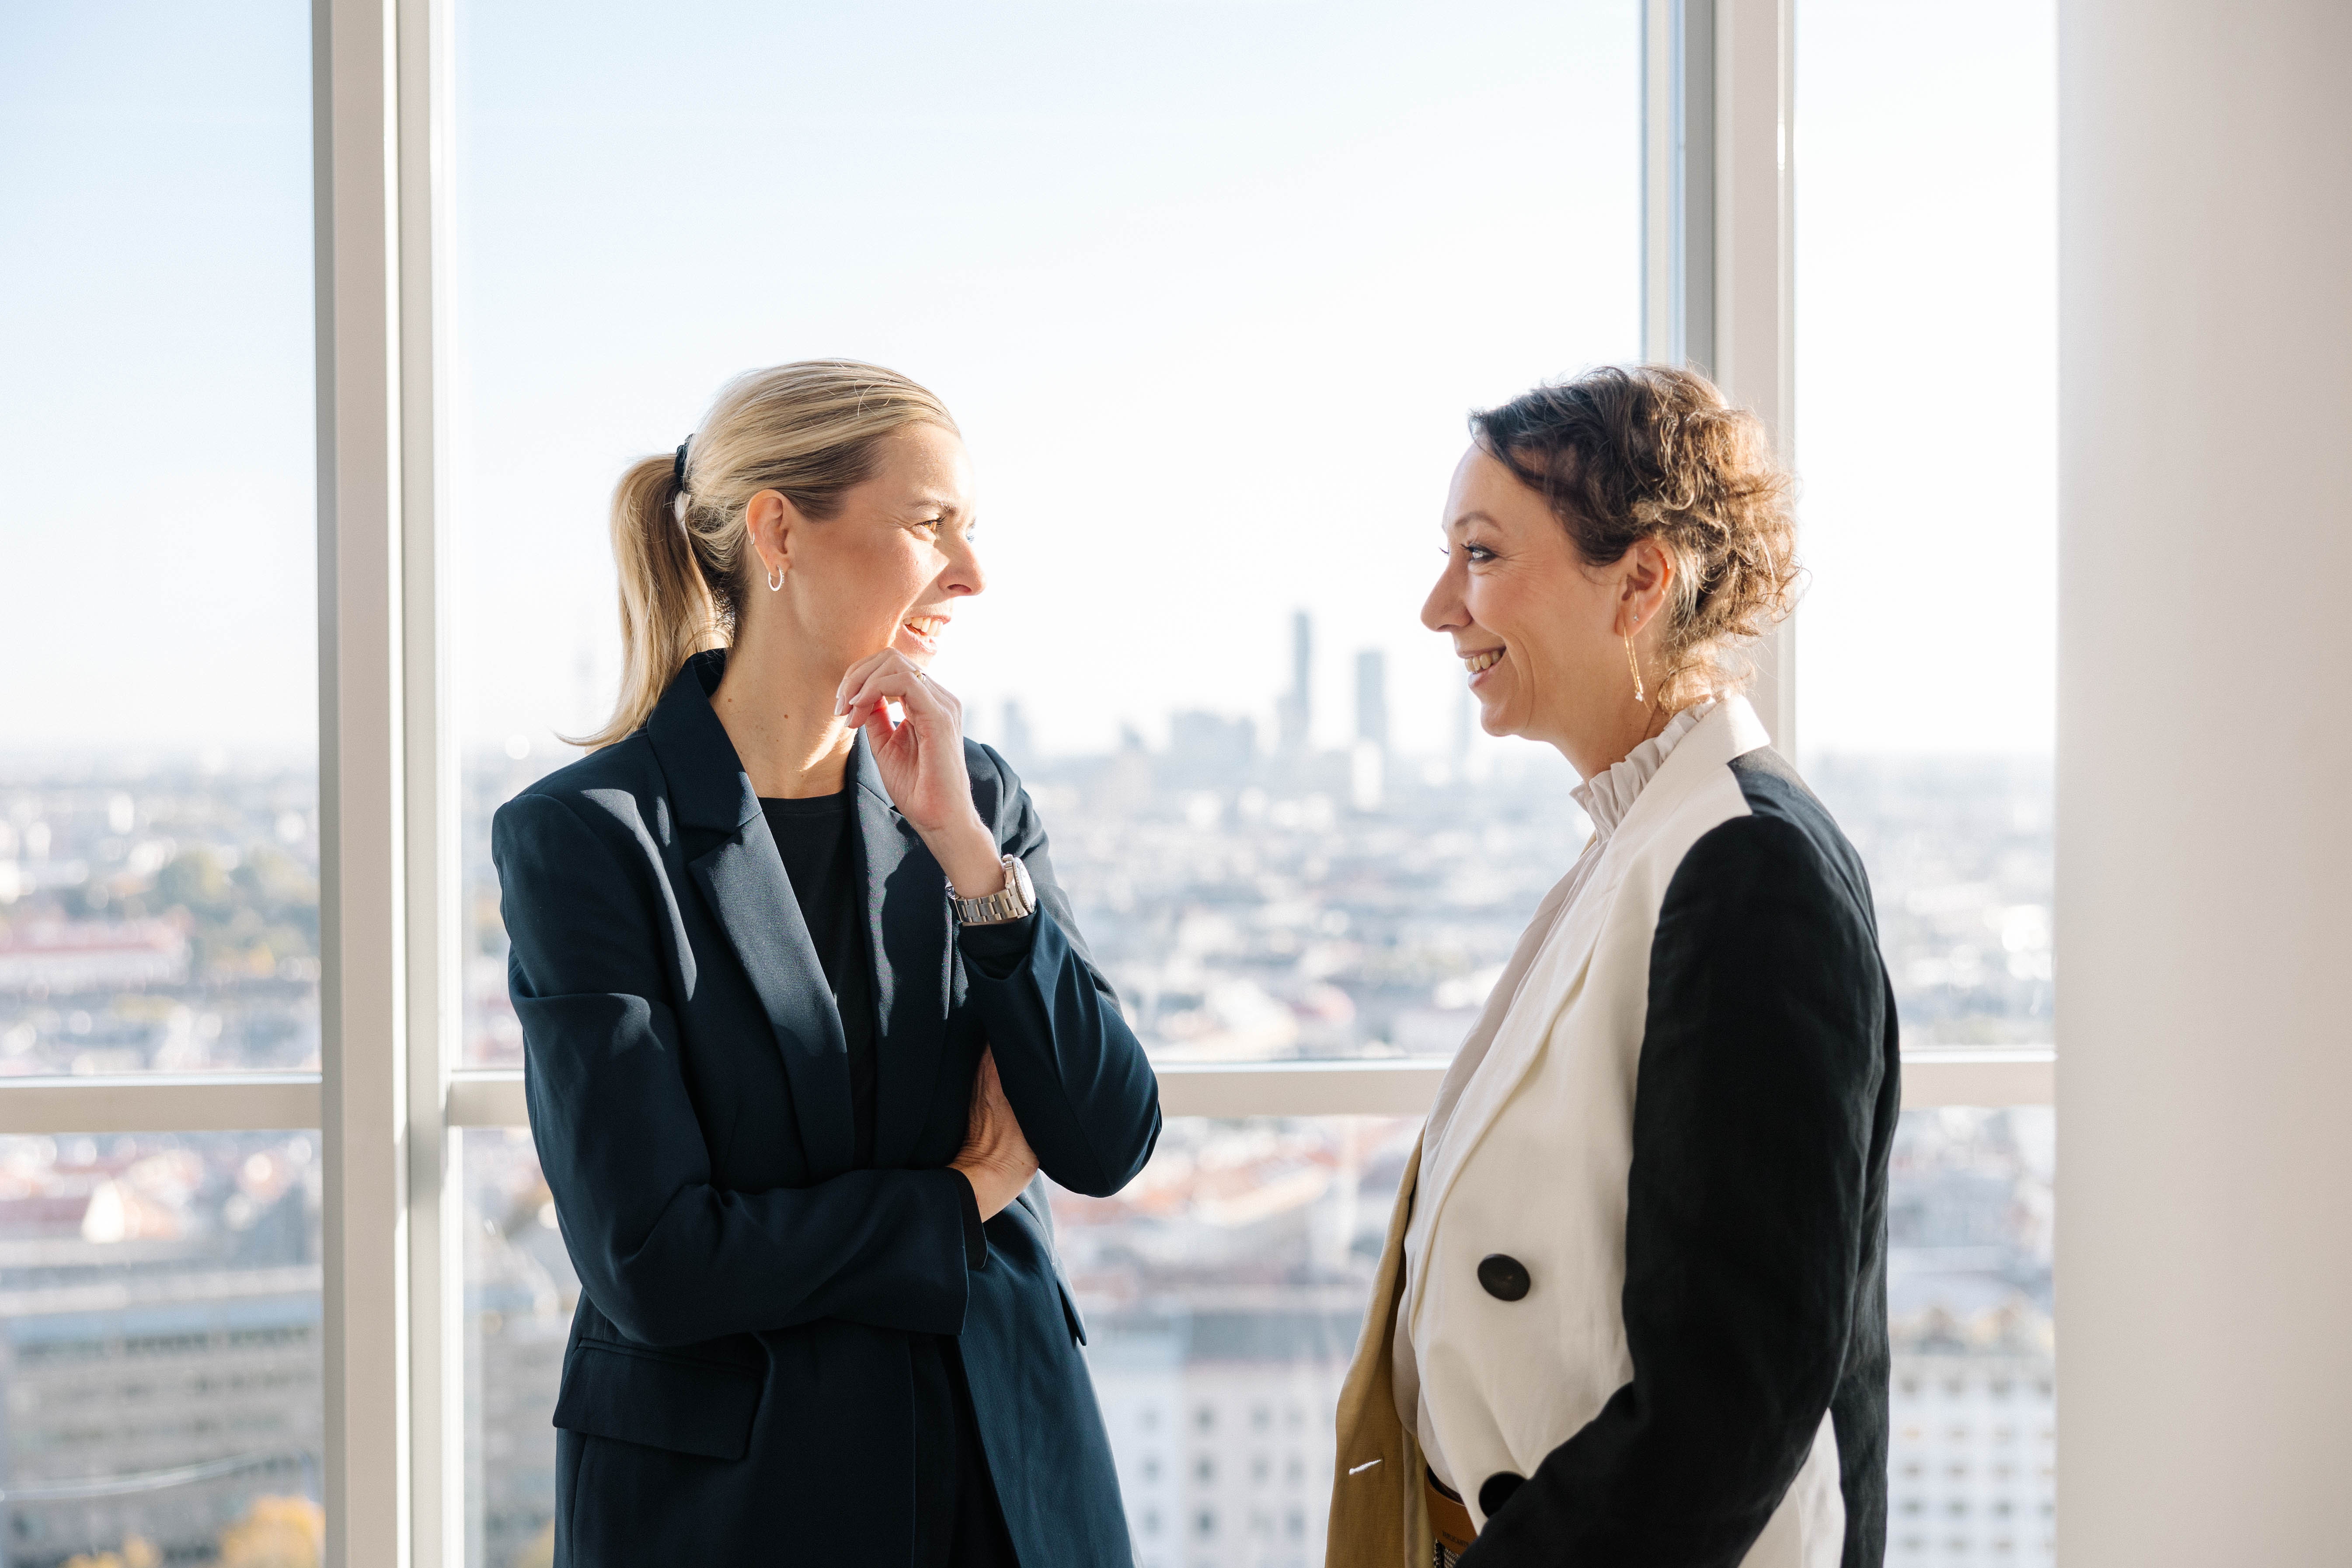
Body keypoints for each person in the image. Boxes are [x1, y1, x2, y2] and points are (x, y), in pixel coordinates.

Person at [492, 360, 1160, 1567]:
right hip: (740, 1504)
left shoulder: (976, 796)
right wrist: (954, 1199)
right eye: (930, 525)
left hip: (1002, 1471)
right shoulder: (588, 838)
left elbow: (1106, 1137)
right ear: (778, 530)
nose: (971, 575)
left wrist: (969, 858)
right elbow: (657, 1260)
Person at [1328, 366, 1899, 1568]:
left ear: (1639, 579)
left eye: (1480, 554)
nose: (1440, 606)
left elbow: (1729, 1398)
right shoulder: (1646, 839)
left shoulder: (1747, 871)